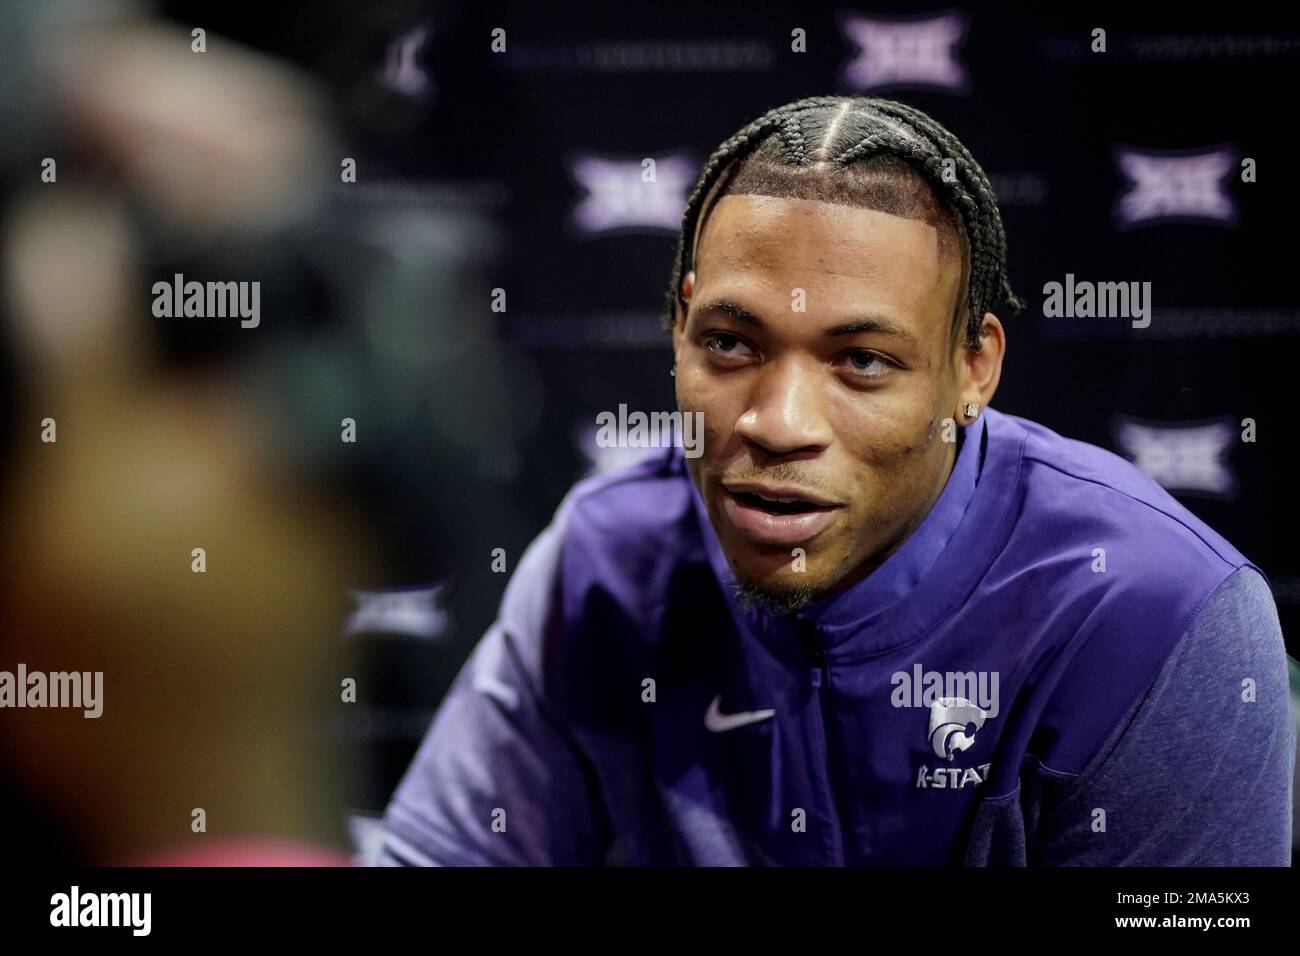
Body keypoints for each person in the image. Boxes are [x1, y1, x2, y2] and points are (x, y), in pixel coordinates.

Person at [377, 95, 1294, 865]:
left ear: (972, 370)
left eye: (860, 361)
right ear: (677, 329)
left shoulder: (1153, 611)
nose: (776, 424)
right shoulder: (608, 558)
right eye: (730, 343)